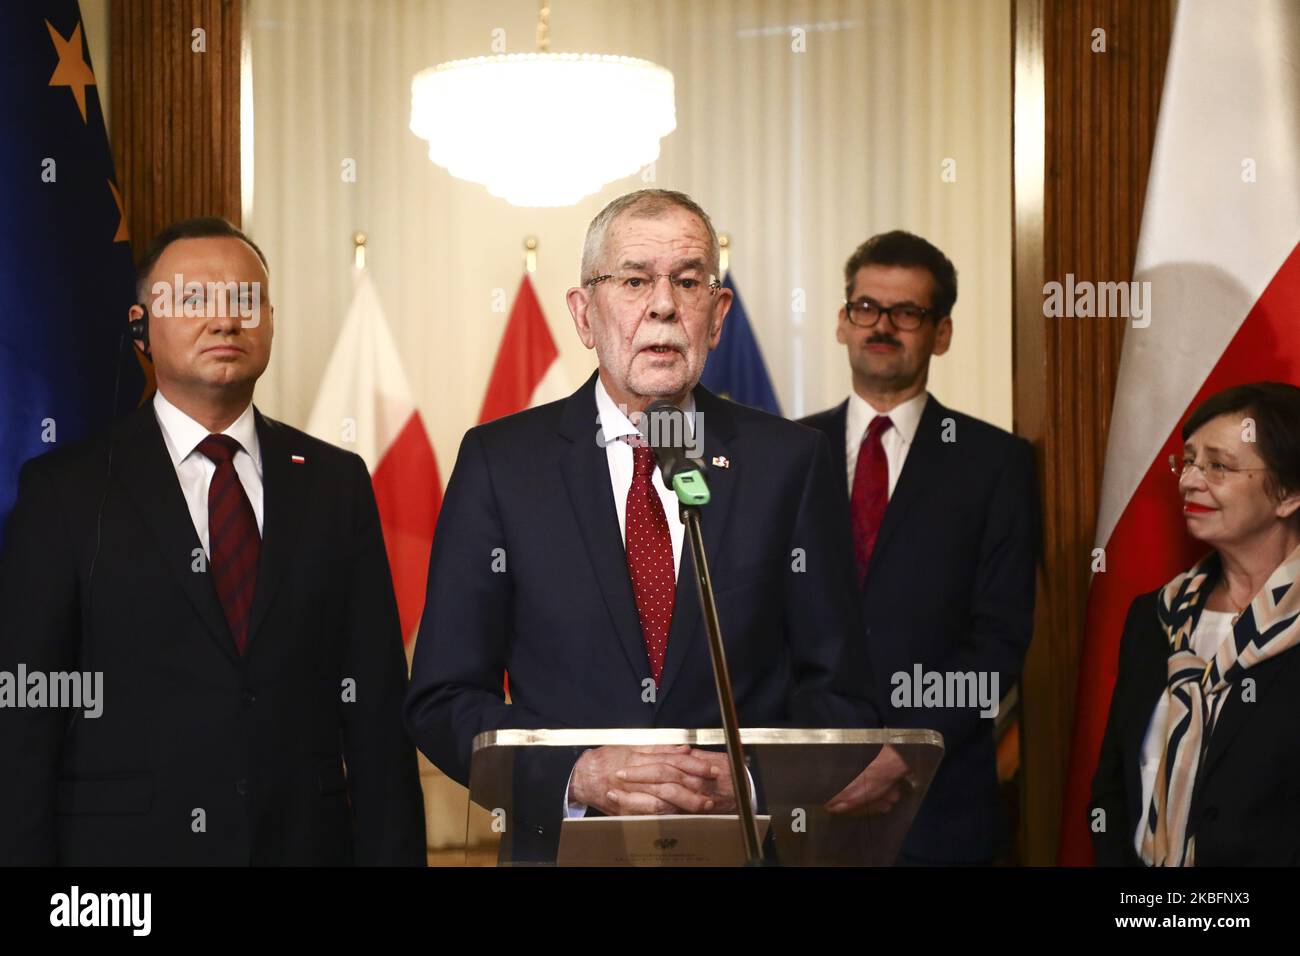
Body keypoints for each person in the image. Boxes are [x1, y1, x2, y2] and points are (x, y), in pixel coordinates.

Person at [405, 189, 905, 861]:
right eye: (635, 279)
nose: (664, 305)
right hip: (564, 850)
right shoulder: (501, 464)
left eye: (689, 281)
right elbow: (443, 697)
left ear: (717, 314)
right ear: (584, 314)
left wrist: (752, 783)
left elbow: (842, 700)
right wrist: (578, 773)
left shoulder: (788, 463)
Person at [0, 216, 425, 865]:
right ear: (141, 326)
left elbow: (375, 711)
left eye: (245, 300)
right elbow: (26, 713)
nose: (225, 320)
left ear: (271, 321)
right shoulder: (65, 489)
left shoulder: (336, 483)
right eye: (194, 300)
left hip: (304, 847)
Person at [801, 230, 1039, 865]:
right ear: (842, 322)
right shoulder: (783, 455)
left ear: (942, 333)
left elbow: (1001, 638)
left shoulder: (996, 464)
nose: (883, 326)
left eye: (907, 312)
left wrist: (905, 750)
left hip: (940, 804)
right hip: (800, 796)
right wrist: (807, 756)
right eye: (866, 307)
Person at [1091, 382, 1300, 866]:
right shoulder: (1155, 616)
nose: (1188, 480)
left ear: (1288, 494)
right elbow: (1112, 789)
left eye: (1218, 466)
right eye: (1186, 461)